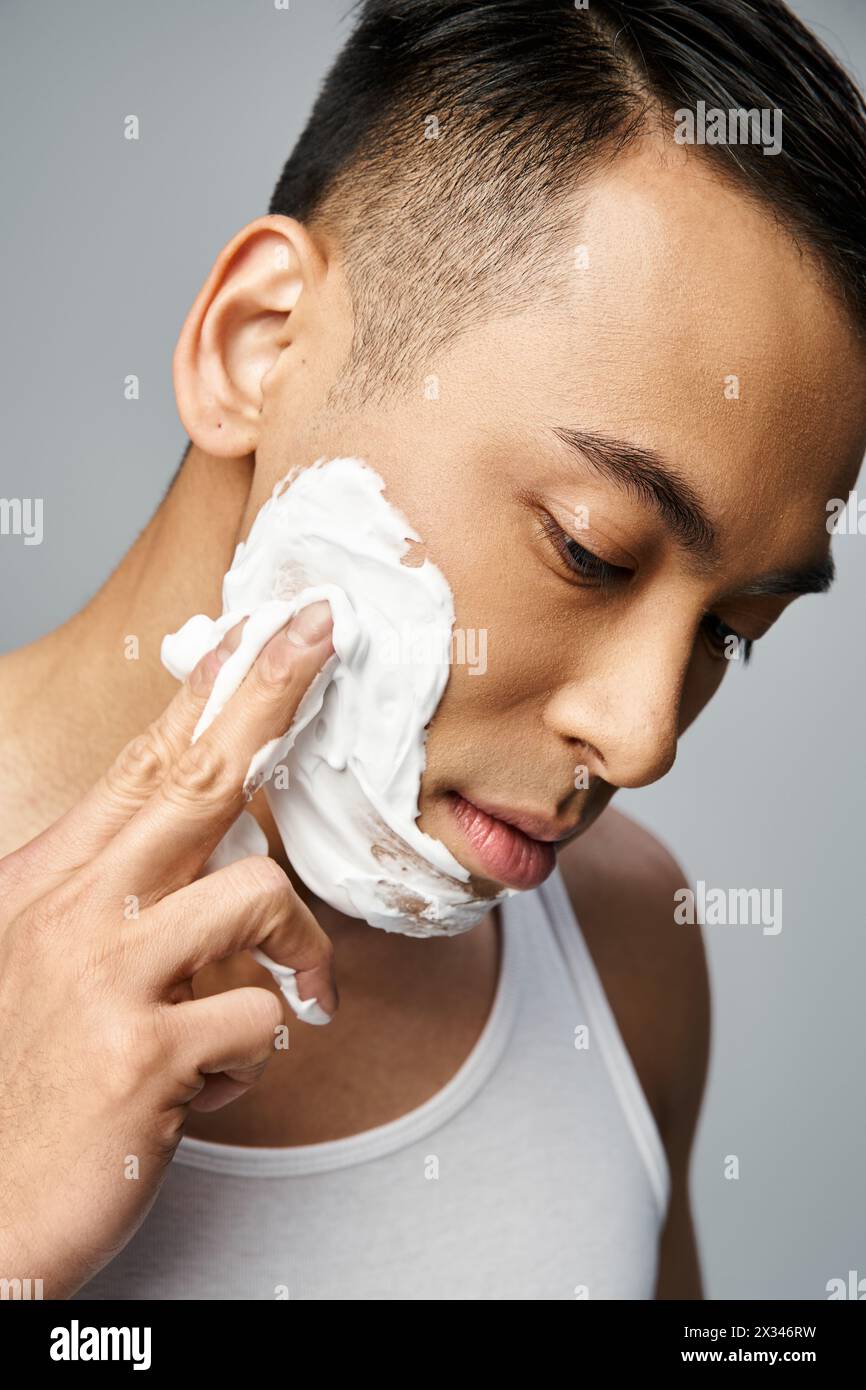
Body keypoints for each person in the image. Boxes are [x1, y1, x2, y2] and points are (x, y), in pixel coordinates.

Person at [1, 0, 865, 1301]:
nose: (643, 738)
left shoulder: (624, 947)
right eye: (589, 549)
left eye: (728, 634)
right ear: (258, 348)